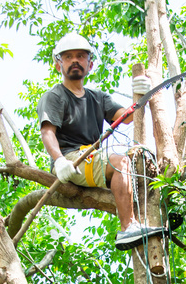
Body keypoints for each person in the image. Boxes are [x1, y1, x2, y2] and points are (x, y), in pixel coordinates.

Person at [38, 32, 165, 251]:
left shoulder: (97, 97)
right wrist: (59, 161)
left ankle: (148, 216)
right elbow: (47, 132)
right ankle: (128, 228)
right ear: (59, 65)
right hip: (72, 161)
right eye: (68, 57)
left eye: (80, 56)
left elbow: (127, 116)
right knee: (120, 163)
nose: (75, 61)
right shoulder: (55, 96)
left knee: (137, 164)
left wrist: (140, 94)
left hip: (92, 158)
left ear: (90, 64)